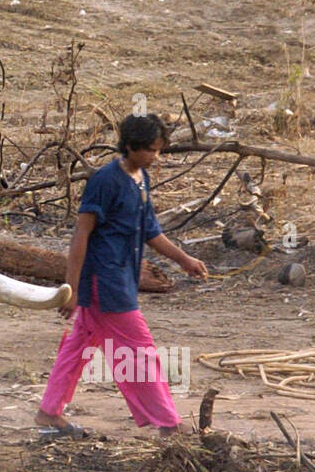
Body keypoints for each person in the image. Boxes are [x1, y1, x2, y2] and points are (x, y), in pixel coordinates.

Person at [36, 112, 207, 438]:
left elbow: (151, 233)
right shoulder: (104, 182)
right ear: (129, 146)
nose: (155, 157)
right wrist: (70, 288)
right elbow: (80, 236)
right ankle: (169, 423)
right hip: (106, 282)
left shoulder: (140, 178)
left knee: (78, 347)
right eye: (150, 150)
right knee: (140, 351)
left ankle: (49, 412)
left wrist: (184, 259)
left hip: (121, 278)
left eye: (159, 150)